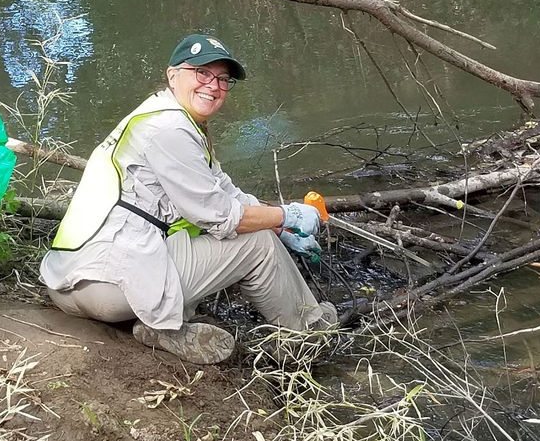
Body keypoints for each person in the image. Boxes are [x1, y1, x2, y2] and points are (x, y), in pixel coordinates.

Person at [39, 33, 336, 365]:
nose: (213, 85)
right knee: (259, 244)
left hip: (69, 281)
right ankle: (307, 338)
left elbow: (224, 190)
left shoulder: (163, 116)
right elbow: (222, 216)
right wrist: (285, 217)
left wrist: (284, 229)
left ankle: (161, 328)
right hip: (103, 288)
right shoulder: (170, 128)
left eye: (223, 79)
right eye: (202, 73)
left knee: (259, 231)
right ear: (172, 75)